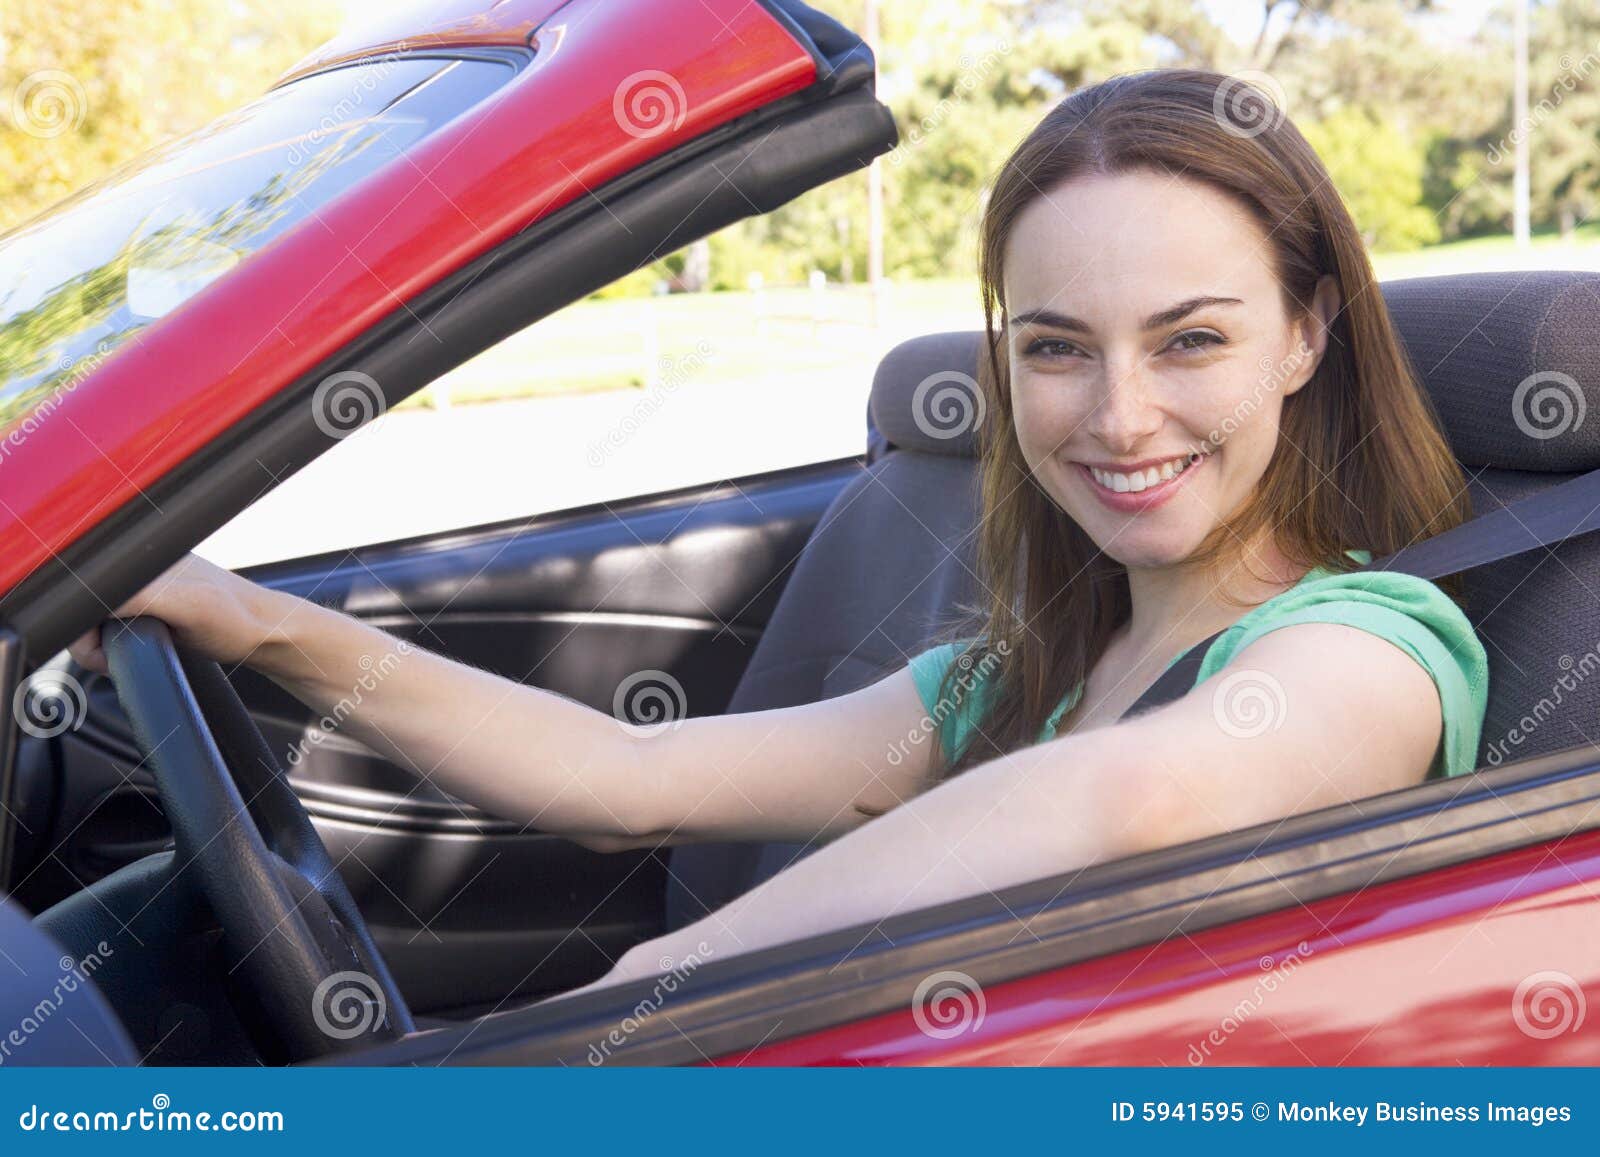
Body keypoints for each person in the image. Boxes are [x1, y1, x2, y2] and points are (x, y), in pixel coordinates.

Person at [70, 69, 1487, 991]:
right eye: (1056, 349)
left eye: (1189, 341)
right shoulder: (1022, 677)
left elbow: (1143, 801)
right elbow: (625, 772)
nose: (1119, 415)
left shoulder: (1372, 652)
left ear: (1305, 335)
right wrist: (253, 619)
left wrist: (669, 984)